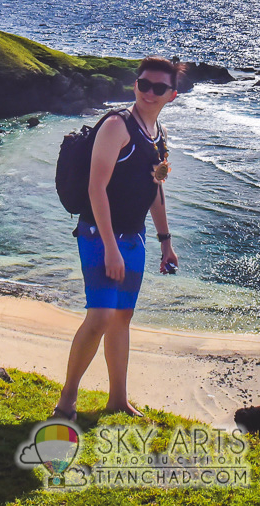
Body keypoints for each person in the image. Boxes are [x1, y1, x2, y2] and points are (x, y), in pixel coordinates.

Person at [52, 56, 182, 419]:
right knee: (100, 316)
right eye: (144, 84)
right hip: (99, 233)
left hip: (134, 237)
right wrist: (110, 247)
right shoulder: (116, 126)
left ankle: (118, 399)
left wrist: (165, 241)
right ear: (135, 85)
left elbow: (156, 190)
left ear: (172, 95)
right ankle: (67, 400)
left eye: (159, 88)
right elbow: (96, 188)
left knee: (122, 317)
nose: (149, 93)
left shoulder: (158, 136)